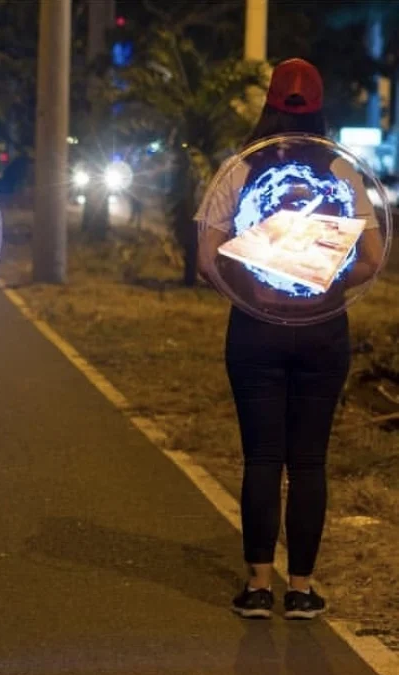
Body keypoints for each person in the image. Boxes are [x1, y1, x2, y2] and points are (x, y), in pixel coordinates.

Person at [195, 59, 384, 621]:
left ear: (269, 103)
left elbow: (207, 259)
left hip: (255, 329)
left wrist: (256, 284)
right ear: (322, 105)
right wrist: (320, 277)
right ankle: (300, 588)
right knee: (308, 462)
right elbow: (372, 259)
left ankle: (257, 586)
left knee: (261, 457)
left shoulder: (240, 168)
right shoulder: (342, 173)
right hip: (323, 329)